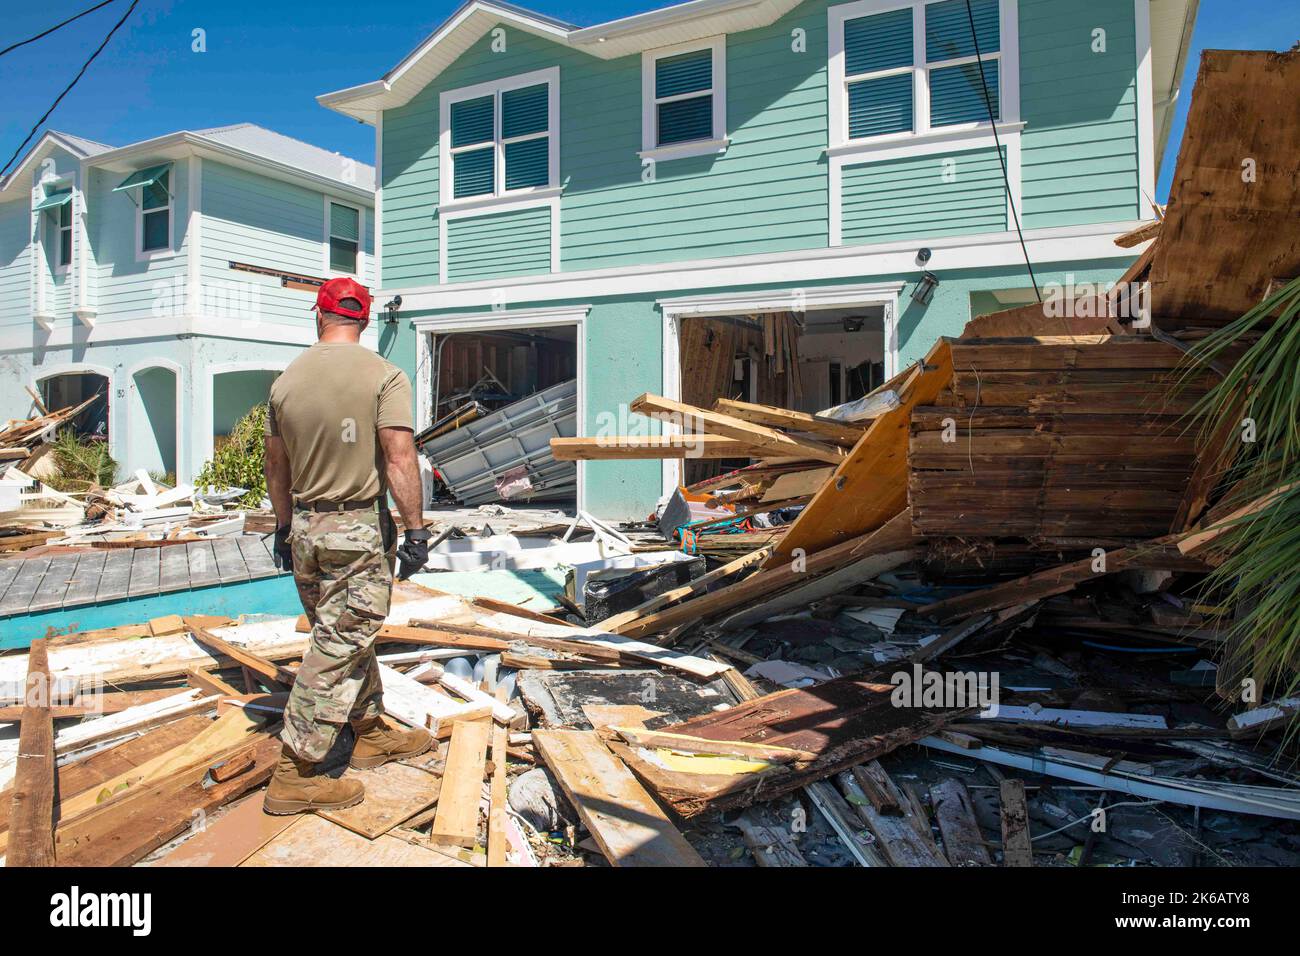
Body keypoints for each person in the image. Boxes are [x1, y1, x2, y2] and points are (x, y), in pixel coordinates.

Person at [261, 276, 434, 815]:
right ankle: (296, 772)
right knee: (340, 643)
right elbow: (399, 456)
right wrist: (416, 528)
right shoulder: (384, 375)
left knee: (340, 633)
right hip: (358, 531)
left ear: (320, 316)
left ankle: (371, 730)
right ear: (363, 320)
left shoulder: (286, 381)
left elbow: (275, 465)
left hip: (307, 530)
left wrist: (283, 527)